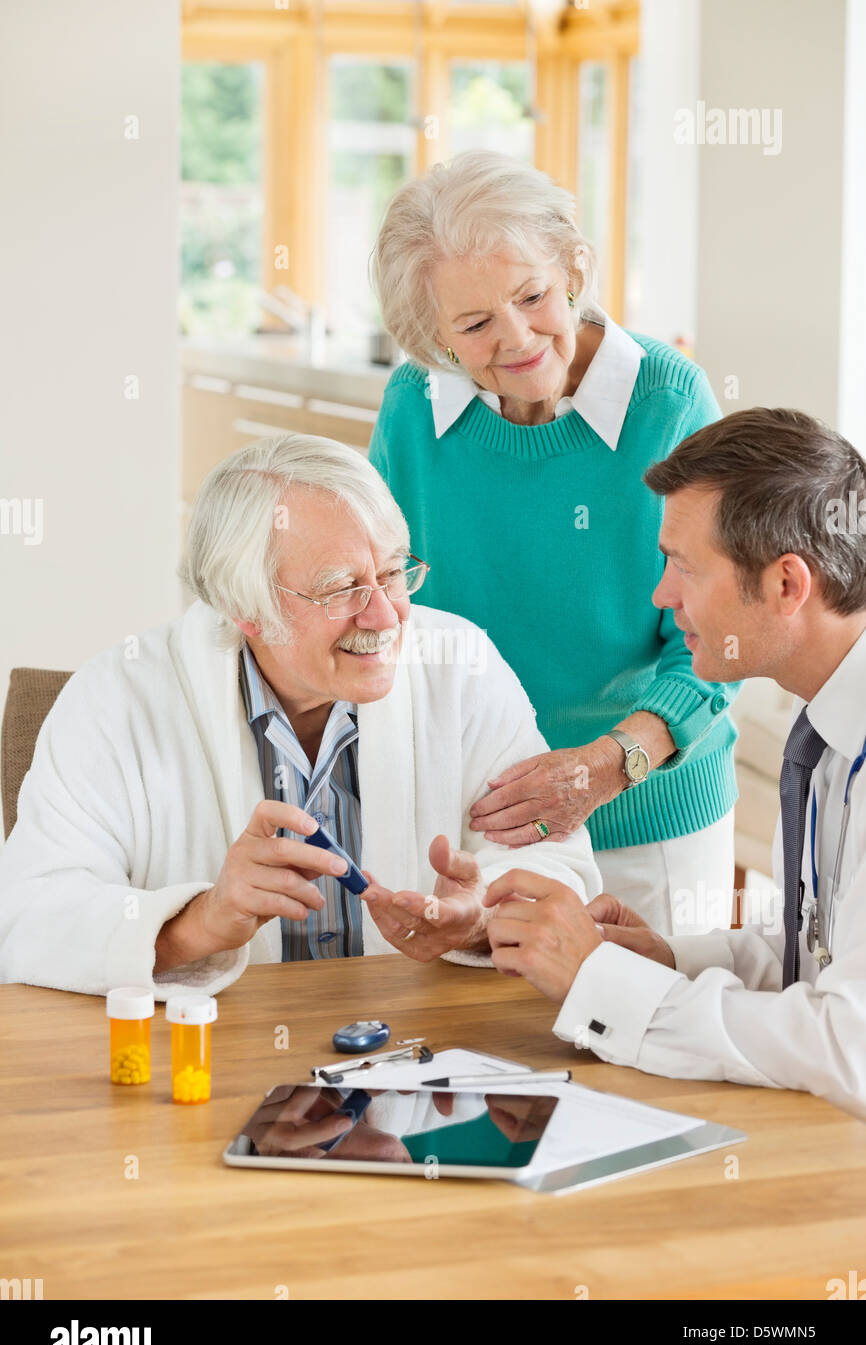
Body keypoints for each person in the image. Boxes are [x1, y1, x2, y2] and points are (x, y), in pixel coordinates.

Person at [0, 432, 599, 998]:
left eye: (392, 573)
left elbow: (555, 860)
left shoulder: (461, 665)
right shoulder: (114, 699)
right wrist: (203, 922)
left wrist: (477, 921)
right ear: (243, 608)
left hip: (419, 1054)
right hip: (205, 1062)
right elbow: (29, 916)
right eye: (341, 588)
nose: (386, 617)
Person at [368, 148, 738, 935]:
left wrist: (605, 766)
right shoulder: (412, 408)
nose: (519, 338)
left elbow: (722, 642)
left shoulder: (669, 404)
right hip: (477, 821)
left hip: (647, 820)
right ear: (432, 337)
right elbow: (381, 597)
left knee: (653, 1040)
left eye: (533, 296)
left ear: (573, 268)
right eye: (473, 324)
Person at [481, 407, 866, 1119]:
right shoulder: (830, 724)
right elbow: (821, 955)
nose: (662, 595)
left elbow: (851, 1045)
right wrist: (665, 960)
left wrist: (599, 983)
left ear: (787, 585)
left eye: (683, 566)